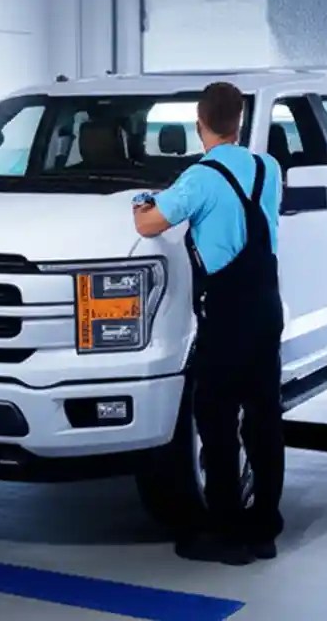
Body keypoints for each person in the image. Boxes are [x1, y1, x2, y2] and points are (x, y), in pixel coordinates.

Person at [132, 82, 285, 566]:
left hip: (226, 313)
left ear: (200, 124)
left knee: (216, 419)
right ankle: (264, 528)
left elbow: (150, 225)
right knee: (264, 418)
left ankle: (225, 534)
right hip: (267, 308)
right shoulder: (269, 168)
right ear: (239, 121)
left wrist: (141, 202)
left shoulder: (199, 178)